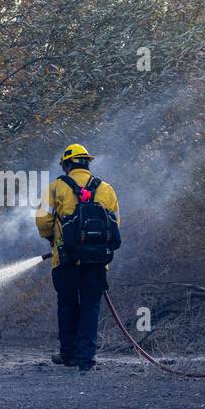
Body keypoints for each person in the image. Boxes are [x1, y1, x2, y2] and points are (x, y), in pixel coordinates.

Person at [35, 143, 121, 372]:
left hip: (65, 260)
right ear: (86, 163)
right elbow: (116, 226)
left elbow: (43, 222)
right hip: (97, 262)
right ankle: (86, 360)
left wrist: (51, 238)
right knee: (91, 307)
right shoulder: (107, 189)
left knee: (67, 305)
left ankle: (69, 355)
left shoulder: (54, 188)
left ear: (67, 165)